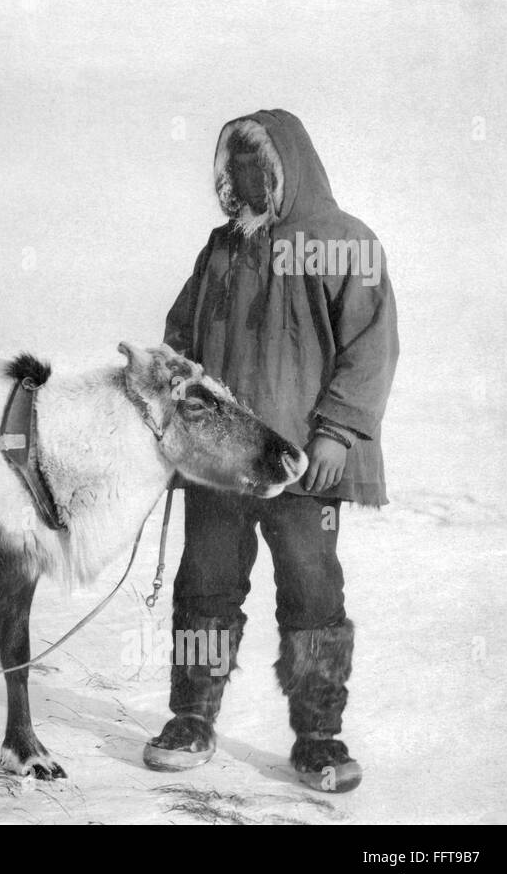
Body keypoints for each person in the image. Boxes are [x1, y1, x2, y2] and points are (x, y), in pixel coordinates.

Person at [145, 109, 399, 792]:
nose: (248, 179)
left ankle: (320, 738)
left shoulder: (342, 242)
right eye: (237, 167)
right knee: (205, 588)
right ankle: (191, 717)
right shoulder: (220, 250)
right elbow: (181, 341)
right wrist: (171, 388)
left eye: (261, 165)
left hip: (303, 465)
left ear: (290, 167)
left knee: (313, 595)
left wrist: (339, 432)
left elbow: (370, 347)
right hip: (222, 465)